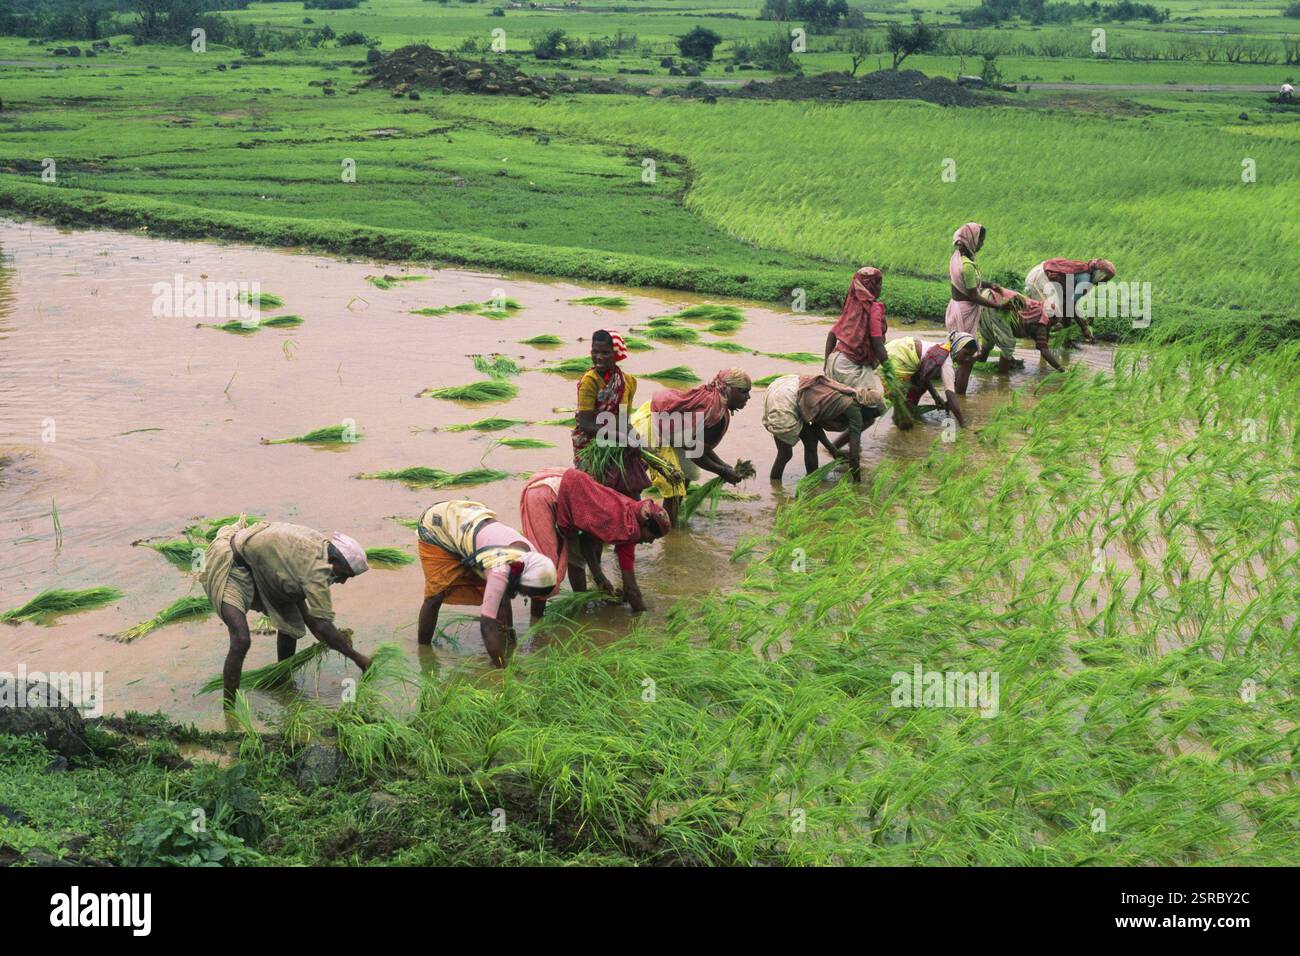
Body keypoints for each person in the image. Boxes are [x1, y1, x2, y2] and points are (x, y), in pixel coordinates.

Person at [199, 516, 371, 707]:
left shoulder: (321, 550)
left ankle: (282, 680)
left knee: (291, 627)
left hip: (265, 569)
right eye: (344, 574)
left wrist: (331, 639)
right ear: (334, 559)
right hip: (229, 563)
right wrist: (358, 658)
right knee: (241, 639)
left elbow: (312, 619)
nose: (342, 581)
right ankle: (229, 709)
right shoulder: (314, 567)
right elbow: (321, 623)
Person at [415, 500, 557, 666]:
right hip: (438, 525)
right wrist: (503, 667)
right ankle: (423, 653)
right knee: (435, 596)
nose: (524, 595)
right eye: (527, 592)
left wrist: (512, 643)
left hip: (468, 520)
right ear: (523, 578)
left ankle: (508, 643)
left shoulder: (533, 559)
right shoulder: (500, 568)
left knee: (500, 596)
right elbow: (487, 625)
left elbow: (503, 597)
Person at [519, 467, 671, 619]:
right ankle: (536, 623)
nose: (650, 541)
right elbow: (631, 589)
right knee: (545, 567)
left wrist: (600, 578)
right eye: (653, 536)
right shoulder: (618, 521)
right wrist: (643, 617)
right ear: (644, 525)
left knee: (575, 558)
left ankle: (581, 606)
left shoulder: (630, 526)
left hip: (569, 495)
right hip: (545, 493)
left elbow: (586, 540)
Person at [628, 368, 754, 525]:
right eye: (743, 392)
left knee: (688, 472)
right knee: (673, 487)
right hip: (655, 427)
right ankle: (667, 530)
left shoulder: (717, 399)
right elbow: (695, 452)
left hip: (666, 425)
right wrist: (722, 471)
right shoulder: (713, 409)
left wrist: (724, 466)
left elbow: (701, 447)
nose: (747, 397)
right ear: (729, 389)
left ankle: (670, 516)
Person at [945, 222, 1025, 395]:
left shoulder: (958, 257)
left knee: (962, 357)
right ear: (972, 240)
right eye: (981, 240)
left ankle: (955, 395)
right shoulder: (967, 266)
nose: (982, 244)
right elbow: (974, 295)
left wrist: (990, 284)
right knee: (968, 359)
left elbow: (969, 285)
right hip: (964, 313)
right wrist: (999, 306)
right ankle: (960, 400)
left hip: (956, 308)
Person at [571, 329, 648, 498]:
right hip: (591, 443)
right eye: (595, 352)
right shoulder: (589, 381)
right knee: (598, 494)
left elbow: (623, 421)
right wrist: (621, 439)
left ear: (616, 354)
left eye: (605, 353)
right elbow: (586, 424)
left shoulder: (627, 382)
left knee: (632, 490)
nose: (599, 357)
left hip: (618, 440)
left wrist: (638, 441)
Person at [763, 373, 880, 483]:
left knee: (811, 441)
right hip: (785, 400)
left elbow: (814, 427)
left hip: (788, 384)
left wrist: (833, 450)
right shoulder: (854, 412)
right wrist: (857, 483)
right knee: (785, 454)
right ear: (867, 410)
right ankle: (775, 490)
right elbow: (854, 456)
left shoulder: (849, 394)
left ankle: (812, 480)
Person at [884, 331, 978, 430]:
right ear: (957, 347)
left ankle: (901, 431)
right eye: (966, 354)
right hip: (898, 358)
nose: (967, 359)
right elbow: (951, 397)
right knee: (903, 413)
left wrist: (936, 397)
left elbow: (924, 376)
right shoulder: (946, 362)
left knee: (905, 404)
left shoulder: (941, 348)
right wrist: (963, 425)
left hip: (895, 348)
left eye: (970, 356)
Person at [825, 267, 889, 395]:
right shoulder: (874, 309)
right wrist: (890, 371)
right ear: (872, 286)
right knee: (872, 406)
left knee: (843, 406)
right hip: (851, 367)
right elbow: (877, 344)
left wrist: (826, 364)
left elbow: (832, 334)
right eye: (879, 283)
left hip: (834, 362)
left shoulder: (852, 306)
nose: (881, 287)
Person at [1024, 257, 1115, 342]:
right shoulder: (1084, 281)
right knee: (1054, 314)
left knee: (1057, 313)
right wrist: (1083, 327)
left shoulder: (1085, 272)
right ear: (1099, 275)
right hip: (1039, 279)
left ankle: (1057, 338)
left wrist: (1068, 335)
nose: (1106, 282)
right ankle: (1037, 339)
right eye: (1106, 279)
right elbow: (1069, 307)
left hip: (1040, 272)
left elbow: (1068, 306)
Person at [976, 291, 1067, 375]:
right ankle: (1002, 378)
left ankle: (979, 365)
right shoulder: (1042, 322)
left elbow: (1041, 344)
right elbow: (1044, 351)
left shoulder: (1037, 306)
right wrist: (1061, 370)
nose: (1051, 326)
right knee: (1008, 346)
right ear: (1052, 318)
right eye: (1053, 322)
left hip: (988, 296)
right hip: (997, 305)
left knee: (988, 340)